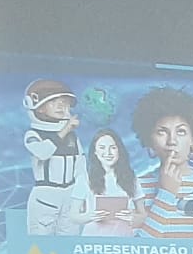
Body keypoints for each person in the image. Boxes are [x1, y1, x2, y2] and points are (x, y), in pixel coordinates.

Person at [132, 86, 193, 239]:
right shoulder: (134, 187)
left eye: (181, 132)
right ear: (149, 141)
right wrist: (166, 194)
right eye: (162, 132)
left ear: (192, 140)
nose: (172, 141)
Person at [21, 78, 82, 237]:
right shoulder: (33, 134)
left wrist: (82, 195)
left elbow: (80, 167)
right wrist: (64, 131)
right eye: (54, 101)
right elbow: (43, 152)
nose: (61, 106)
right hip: (46, 196)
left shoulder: (72, 137)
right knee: (42, 247)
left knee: (69, 242)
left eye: (65, 102)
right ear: (38, 107)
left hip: (70, 194)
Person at [69, 129, 139, 235]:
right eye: (102, 148)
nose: (108, 153)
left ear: (119, 150)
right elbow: (73, 215)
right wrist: (90, 216)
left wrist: (133, 217)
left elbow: (142, 214)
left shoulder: (131, 178)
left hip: (123, 239)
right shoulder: (85, 178)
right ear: (95, 152)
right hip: (93, 239)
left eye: (113, 148)